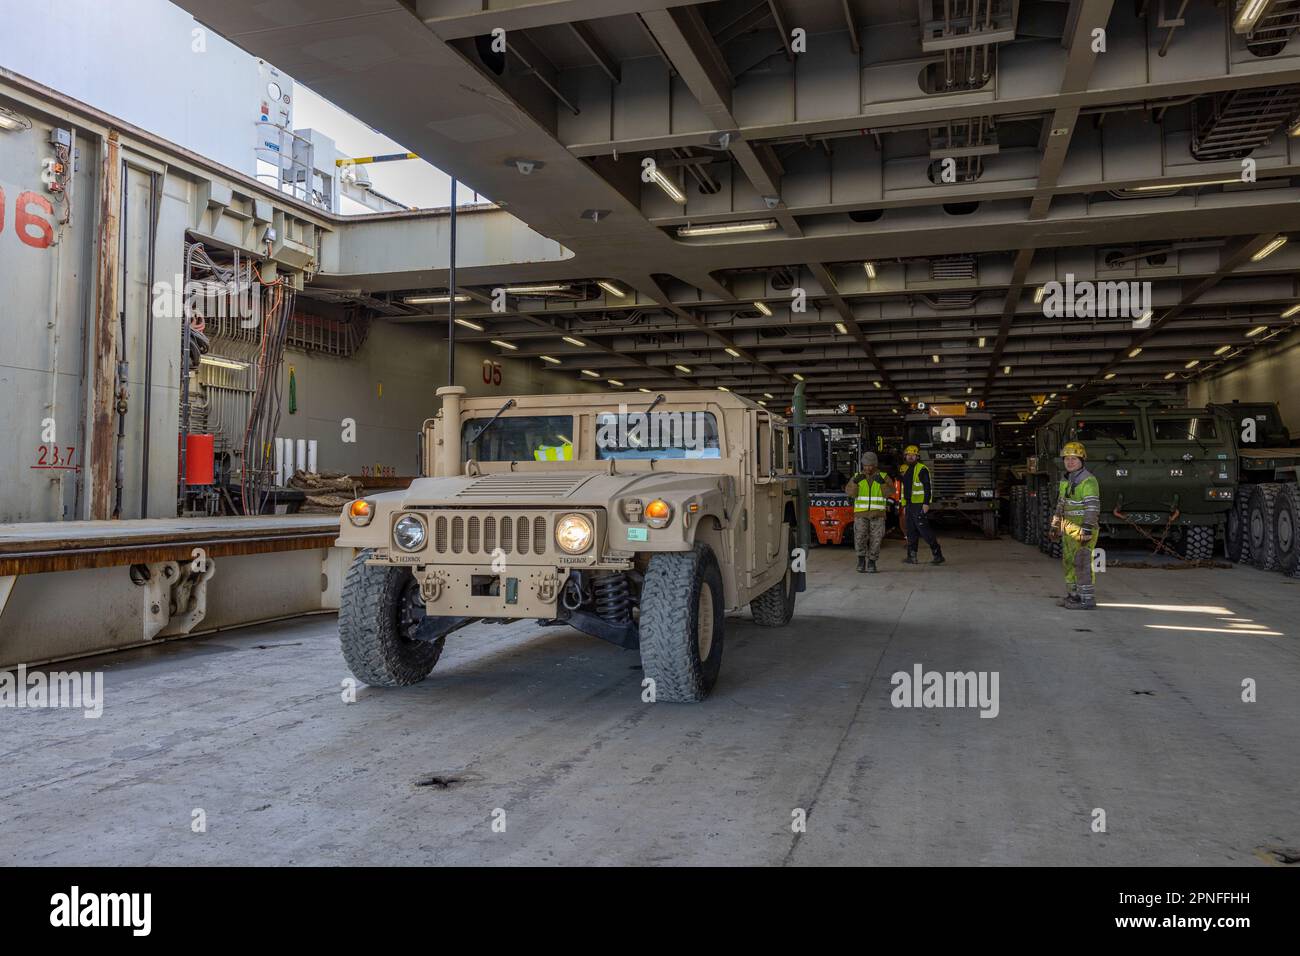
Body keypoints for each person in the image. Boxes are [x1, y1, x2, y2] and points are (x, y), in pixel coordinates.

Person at [1049, 441, 1100, 610]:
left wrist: (1086, 528)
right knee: (1069, 561)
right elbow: (1060, 505)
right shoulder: (1066, 481)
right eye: (1067, 459)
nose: (1070, 462)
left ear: (1082, 460)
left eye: (1074, 459)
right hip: (1069, 527)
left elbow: (1092, 507)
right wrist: (1055, 525)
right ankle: (1073, 595)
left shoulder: (1088, 481)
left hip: (1083, 528)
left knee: (1082, 562)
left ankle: (1087, 599)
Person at [845, 452, 894, 573]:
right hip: (861, 514)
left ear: (875, 465)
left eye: (871, 465)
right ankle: (861, 560)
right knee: (860, 537)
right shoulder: (857, 476)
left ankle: (872, 562)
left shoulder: (883, 477)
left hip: (878, 514)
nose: (868, 468)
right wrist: (855, 483)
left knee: (876, 539)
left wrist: (882, 484)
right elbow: (850, 493)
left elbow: (890, 492)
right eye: (865, 465)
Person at [898, 444, 944, 565]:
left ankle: (938, 555)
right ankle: (911, 556)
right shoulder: (905, 469)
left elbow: (927, 487)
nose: (910, 457)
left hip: (919, 505)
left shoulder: (922, 469)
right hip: (909, 505)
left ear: (917, 456)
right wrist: (903, 505)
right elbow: (904, 488)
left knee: (924, 531)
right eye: (908, 455)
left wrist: (926, 503)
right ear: (905, 456)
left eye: (913, 455)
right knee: (911, 531)